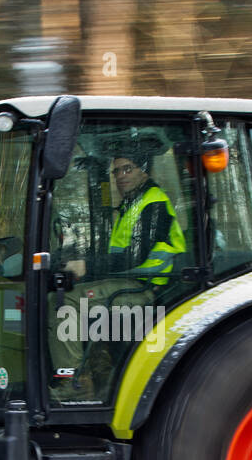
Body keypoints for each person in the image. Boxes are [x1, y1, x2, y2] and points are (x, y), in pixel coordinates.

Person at [49, 152, 187, 400]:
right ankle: (93, 377)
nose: (120, 176)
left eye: (128, 169)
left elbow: (134, 256)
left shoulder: (153, 203)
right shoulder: (134, 203)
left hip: (144, 288)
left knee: (65, 300)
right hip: (131, 281)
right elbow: (115, 252)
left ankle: (72, 384)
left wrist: (87, 267)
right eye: (116, 171)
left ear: (144, 171)